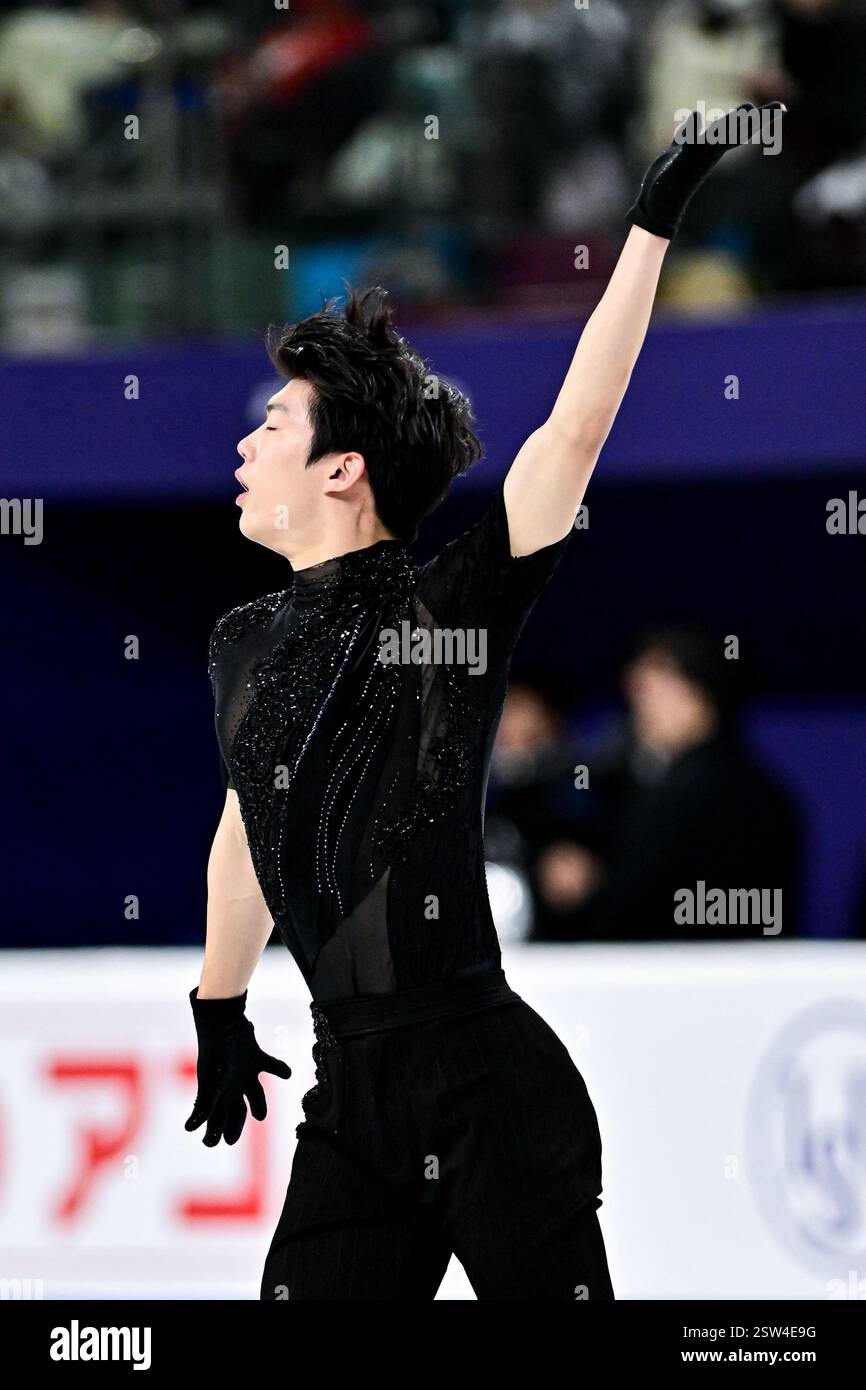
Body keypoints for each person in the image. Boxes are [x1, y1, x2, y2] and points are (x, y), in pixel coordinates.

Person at [185, 100, 785, 1300]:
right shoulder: (239, 641)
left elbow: (572, 429)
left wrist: (650, 218)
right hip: (349, 1098)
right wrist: (217, 1000)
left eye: (275, 423)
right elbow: (248, 830)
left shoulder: (440, 612)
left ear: (341, 469)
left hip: (484, 1085)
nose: (247, 443)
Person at [530, 624, 803, 941]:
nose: (639, 709)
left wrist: (594, 887)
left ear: (699, 696)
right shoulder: (644, 782)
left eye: (652, 691)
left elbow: (659, 907)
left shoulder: (710, 794)